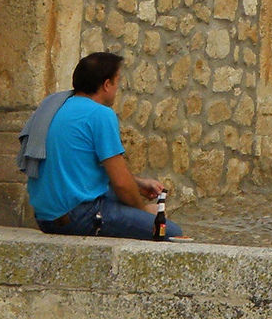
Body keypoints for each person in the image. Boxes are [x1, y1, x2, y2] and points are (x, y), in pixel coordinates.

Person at [26, 52, 181, 240]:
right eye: (117, 82)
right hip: (77, 216)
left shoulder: (55, 105)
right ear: (107, 85)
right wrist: (144, 210)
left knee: (118, 195)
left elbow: (81, 169)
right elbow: (122, 184)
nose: (118, 88)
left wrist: (138, 183)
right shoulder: (100, 114)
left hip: (46, 216)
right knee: (170, 232)